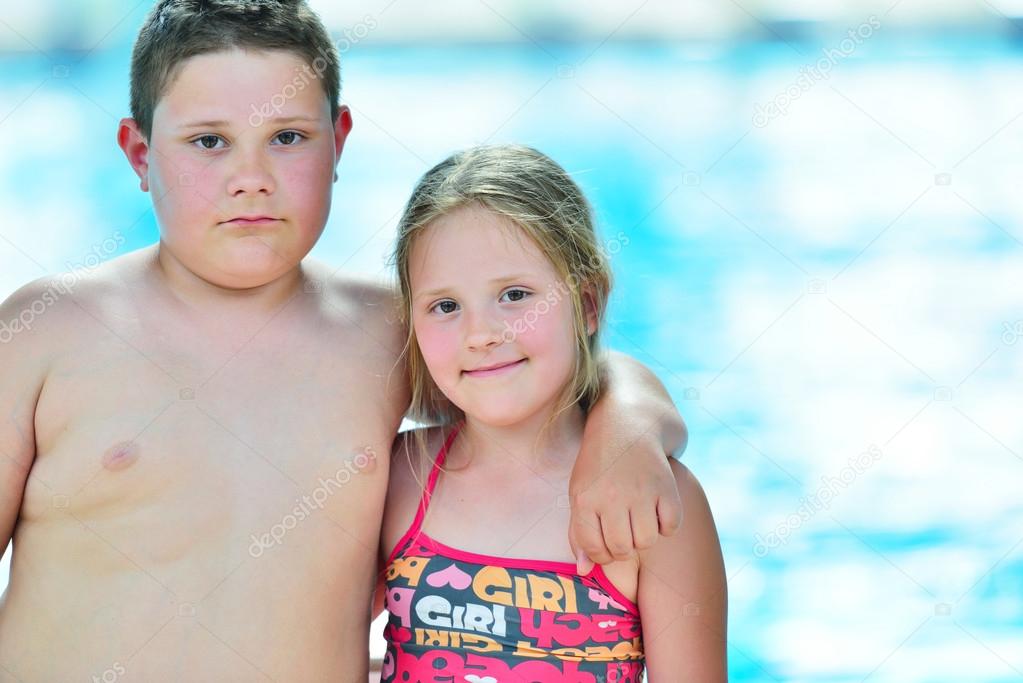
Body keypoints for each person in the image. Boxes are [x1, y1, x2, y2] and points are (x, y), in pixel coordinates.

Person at [0, 2, 687, 679]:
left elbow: (559, 375)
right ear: (139, 153)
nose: (251, 177)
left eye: (288, 137)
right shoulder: (50, 331)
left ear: (339, 142)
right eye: (209, 141)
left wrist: (626, 428)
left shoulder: (385, 330)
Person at [376, 145, 727, 681]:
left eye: (515, 295)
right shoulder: (399, 475)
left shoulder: (652, 505)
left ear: (586, 305)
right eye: (445, 306)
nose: (481, 334)